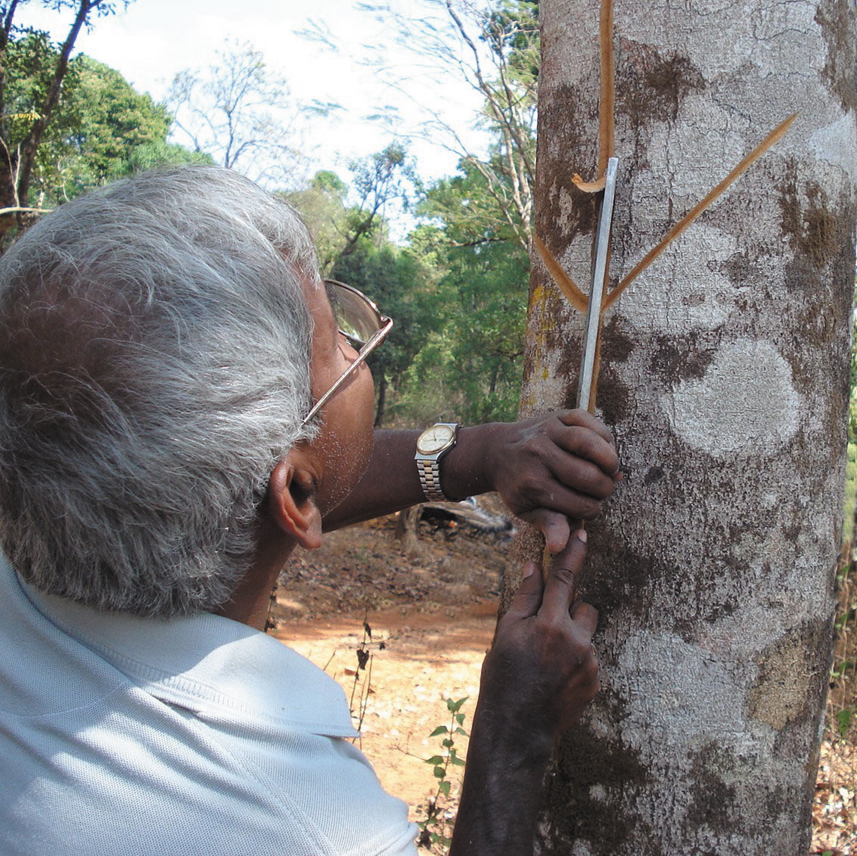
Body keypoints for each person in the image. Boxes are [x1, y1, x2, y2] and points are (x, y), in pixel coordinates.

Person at [0, 165, 620, 855]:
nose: (357, 348)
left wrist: (476, 452)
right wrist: (514, 738)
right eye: (341, 345)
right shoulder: (300, 824)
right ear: (293, 496)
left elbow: (262, 490)